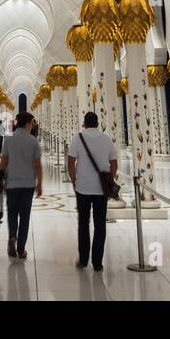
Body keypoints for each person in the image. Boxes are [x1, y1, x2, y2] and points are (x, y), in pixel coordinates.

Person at [67, 111, 118, 271]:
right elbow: (114, 162)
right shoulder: (107, 139)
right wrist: (110, 178)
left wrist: (74, 179)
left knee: (83, 223)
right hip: (101, 189)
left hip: (83, 187)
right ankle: (97, 262)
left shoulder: (78, 139)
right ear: (97, 123)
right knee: (100, 224)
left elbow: (70, 161)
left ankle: (83, 260)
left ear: (85, 123)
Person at [0, 111, 42, 258]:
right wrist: (40, 183)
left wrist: (1, 178)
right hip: (27, 184)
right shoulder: (33, 141)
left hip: (12, 183)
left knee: (12, 212)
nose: (32, 126)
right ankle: (21, 248)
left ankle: (12, 237)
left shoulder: (9, 139)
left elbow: (3, 160)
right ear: (28, 123)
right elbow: (37, 165)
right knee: (25, 215)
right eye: (32, 123)